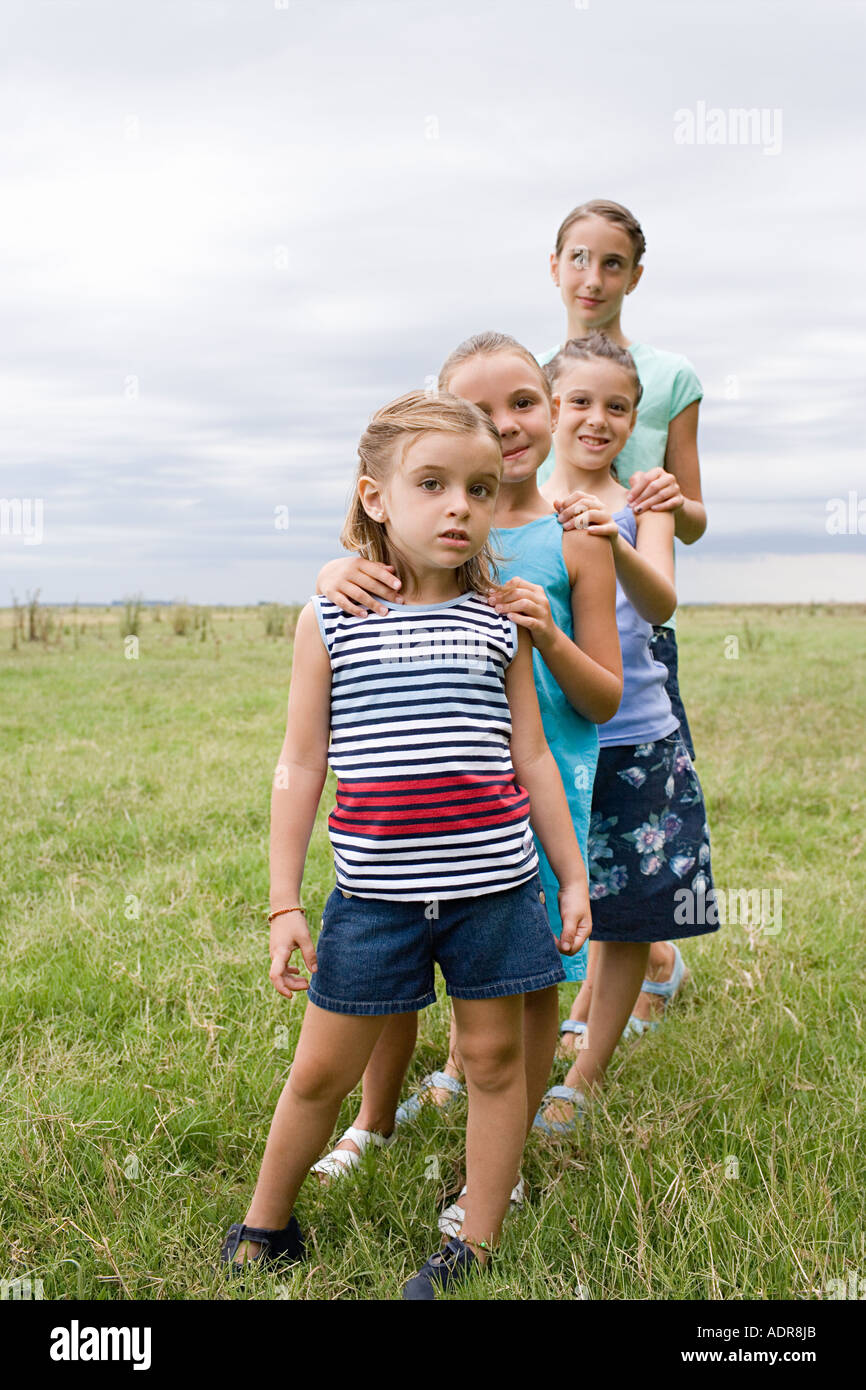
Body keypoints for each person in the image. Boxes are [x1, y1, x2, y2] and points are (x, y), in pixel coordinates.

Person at [218, 389, 592, 1300]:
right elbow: (301, 763)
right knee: (320, 1071)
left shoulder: (499, 621)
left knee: (497, 1061)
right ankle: (264, 1226)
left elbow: (533, 756)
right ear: (376, 496)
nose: (461, 505)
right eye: (432, 484)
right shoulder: (332, 619)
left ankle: (476, 1241)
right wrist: (282, 902)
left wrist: (571, 877)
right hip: (373, 899)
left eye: (479, 487)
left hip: (494, 893)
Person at [313, 335, 621, 1219]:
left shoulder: (575, 533)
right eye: (478, 412)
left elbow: (602, 696)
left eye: (524, 401)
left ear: (551, 406)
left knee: (517, 996)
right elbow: (370, 583)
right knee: (394, 966)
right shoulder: (430, 518)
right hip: (429, 793)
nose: (505, 425)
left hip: (540, 782)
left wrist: (548, 633)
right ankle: (372, 1120)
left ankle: (501, 1169)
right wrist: (338, 568)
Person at [533, 333, 718, 1134]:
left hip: (639, 739)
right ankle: (485, 1057)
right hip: (546, 743)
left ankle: (584, 1073)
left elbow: (661, 603)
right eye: (579, 402)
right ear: (547, 411)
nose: (597, 419)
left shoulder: (645, 503)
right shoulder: (520, 500)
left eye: (617, 406)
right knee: (537, 904)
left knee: (630, 910)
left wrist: (615, 534)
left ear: (635, 417)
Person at [539, 198, 708, 1035]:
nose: (593, 277)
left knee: (626, 850)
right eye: (578, 258)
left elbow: (686, 521)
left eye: (612, 263)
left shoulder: (669, 378)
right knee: (560, 848)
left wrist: (648, 516)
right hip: (548, 661)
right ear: (554, 265)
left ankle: (621, 993)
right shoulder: (525, 376)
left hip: (634, 647)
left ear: (635, 276)